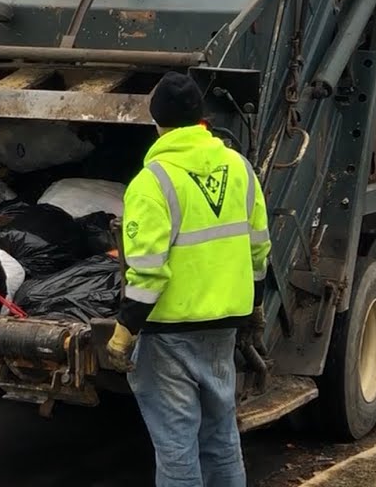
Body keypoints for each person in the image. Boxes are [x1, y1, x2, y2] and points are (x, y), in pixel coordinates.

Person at [105, 72, 272, 487]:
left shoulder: (153, 182)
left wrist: (123, 333)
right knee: (221, 438)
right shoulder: (240, 169)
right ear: (202, 117)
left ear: (156, 121)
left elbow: (146, 274)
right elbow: (258, 251)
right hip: (222, 329)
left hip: (167, 336)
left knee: (177, 447)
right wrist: (254, 307)